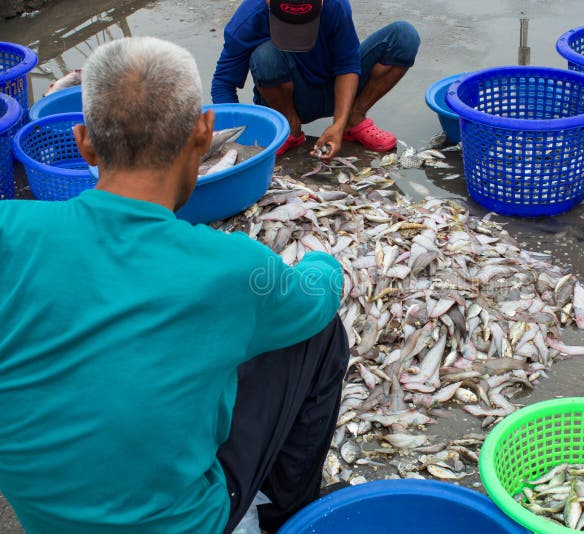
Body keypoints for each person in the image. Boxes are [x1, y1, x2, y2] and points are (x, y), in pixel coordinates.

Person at [0, 37, 348, 534]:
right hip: (190, 523)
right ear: (204, 133)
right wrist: (320, 262)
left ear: (84, 144)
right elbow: (320, 296)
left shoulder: (9, 230)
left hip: (48, 520)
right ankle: (285, 515)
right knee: (319, 332)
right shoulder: (230, 265)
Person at [211, 0, 420, 159]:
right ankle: (289, 128)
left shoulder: (335, 5)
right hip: (288, 96)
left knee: (403, 36)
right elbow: (223, 82)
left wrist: (338, 122)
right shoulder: (249, 17)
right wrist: (235, 140)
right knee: (264, 56)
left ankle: (351, 120)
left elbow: (347, 64)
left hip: (338, 90)